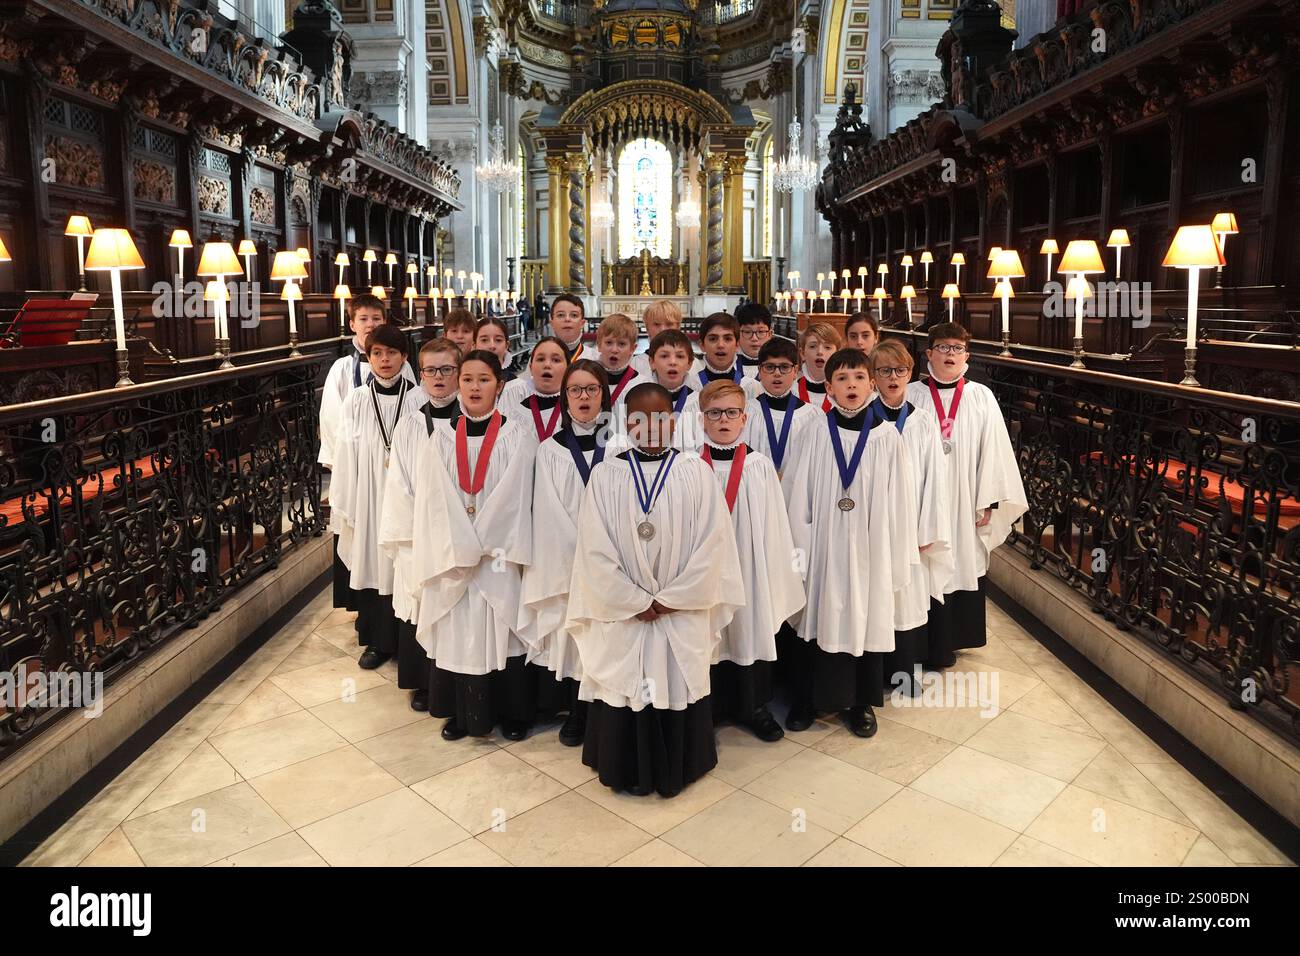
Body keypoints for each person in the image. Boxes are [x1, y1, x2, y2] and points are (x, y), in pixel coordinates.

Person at [566, 382, 743, 797]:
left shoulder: (695, 472)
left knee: (674, 678)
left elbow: (714, 543)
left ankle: (680, 762)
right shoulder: (607, 474)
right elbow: (593, 546)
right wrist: (630, 599)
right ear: (626, 423)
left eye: (660, 417)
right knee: (626, 682)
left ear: (674, 421)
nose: (650, 426)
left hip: (678, 610)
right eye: (639, 419)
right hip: (625, 615)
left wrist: (671, 598)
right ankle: (623, 763)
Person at [782, 347, 921, 737]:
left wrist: (894, 552)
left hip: (868, 546)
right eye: (841, 379)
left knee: (865, 615)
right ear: (828, 387)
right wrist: (799, 552)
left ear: (872, 385)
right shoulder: (813, 431)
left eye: (859, 378)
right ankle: (807, 698)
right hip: (822, 545)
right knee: (817, 617)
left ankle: (860, 701)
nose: (851, 386)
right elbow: (797, 493)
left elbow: (899, 501)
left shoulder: (886, 438)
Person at [410, 349, 538, 741]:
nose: (474, 387)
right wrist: (463, 546)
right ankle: (462, 713)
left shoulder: (519, 434)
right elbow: (433, 502)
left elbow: (519, 496)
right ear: (457, 384)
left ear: (499, 386)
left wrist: (484, 543)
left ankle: (513, 713)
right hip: (457, 559)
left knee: (505, 629)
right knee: (460, 630)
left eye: (484, 379)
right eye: (467, 379)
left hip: (500, 558)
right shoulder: (441, 439)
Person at [905, 323, 1027, 669]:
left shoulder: (980, 396)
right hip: (921, 498)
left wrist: (987, 500)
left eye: (957, 348)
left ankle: (952, 640)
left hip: (965, 496)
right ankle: (919, 641)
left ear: (967, 356)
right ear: (928, 354)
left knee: (960, 558)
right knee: (925, 559)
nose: (950, 355)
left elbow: (995, 451)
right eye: (942, 347)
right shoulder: (912, 394)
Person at [522, 360, 627, 746]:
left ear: (604, 394)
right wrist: (579, 549)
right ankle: (576, 711)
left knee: (607, 635)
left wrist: (603, 551)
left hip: (612, 561)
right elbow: (547, 510)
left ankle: (605, 710)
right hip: (566, 561)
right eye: (575, 390)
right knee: (575, 635)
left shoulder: (621, 444)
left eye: (591, 389)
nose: (583, 398)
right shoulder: (550, 449)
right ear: (565, 397)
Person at [696, 381, 803, 742]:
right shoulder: (691, 466)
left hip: (751, 568)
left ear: (744, 419)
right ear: (702, 420)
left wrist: (776, 574)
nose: (723, 420)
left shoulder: (758, 466)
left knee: (750, 629)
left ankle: (755, 707)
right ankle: (708, 708)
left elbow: (775, 526)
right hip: (705, 572)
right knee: (710, 636)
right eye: (714, 413)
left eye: (730, 413)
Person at [329, 324, 425, 670]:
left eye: (392, 353)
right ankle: (376, 642)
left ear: (405, 357)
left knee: (403, 566)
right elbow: (346, 451)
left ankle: (407, 643)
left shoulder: (419, 398)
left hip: (405, 498)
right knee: (372, 563)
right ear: (368, 358)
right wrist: (348, 503)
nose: (385, 360)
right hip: (369, 495)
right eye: (377, 354)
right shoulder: (356, 400)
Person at [319, 294, 416, 624]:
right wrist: (345, 479)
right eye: (364, 319)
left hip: (403, 485)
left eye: (377, 318)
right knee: (371, 553)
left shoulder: (413, 390)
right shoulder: (345, 373)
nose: (384, 359)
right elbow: (334, 425)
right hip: (367, 481)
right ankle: (373, 627)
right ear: (352, 324)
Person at [380, 338, 463, 710]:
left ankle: (456, 684)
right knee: (420, 605)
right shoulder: (409, 426)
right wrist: (420, 536)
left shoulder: (475, 422)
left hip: (462, 540)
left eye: (447, 369)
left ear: (460, 373)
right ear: (421, 374)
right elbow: (399, 485)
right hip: (417, 536)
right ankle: (424, 682)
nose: (439, 378)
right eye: (431, 370)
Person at [868, 339, 954, 696]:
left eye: (900, 370)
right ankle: (873, 674)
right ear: (872, 378)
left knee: (907, 599)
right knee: (877, 600)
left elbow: (936, 477)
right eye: (884, 370)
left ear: (910, 374)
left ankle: (903, 673)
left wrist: (928, 527)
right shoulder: (863, 420)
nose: (893, 377)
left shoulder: (922, 421)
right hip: (874, 526)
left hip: (913, 526)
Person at [740, 338, 822, 478]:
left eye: (784, 367)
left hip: (796, 490)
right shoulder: (745, 412)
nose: (777, 373)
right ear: (759, 370)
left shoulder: (813, 416)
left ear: (795, 370)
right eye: (770, 367)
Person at [500, 336, 568, 435]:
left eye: (556, 360)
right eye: (541, 359)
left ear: (568, 368)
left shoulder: (577, 412)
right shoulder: (514, 414)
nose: (547, 365)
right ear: (531, 368)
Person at [630, 300, 703, 378]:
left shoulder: (694, 363)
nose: (663, 329)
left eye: (669, 324)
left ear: (678, 327)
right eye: (656, 324)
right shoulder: (635, 364)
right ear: (647, 328)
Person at [795, 322, 842, 413]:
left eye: (827, 347)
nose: (820, 352)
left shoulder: (843, 394)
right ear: (803, 353)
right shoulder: (791, 391)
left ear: (837, 354)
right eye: (813, 346)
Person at [550, 294, 596, 363]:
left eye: (574, 315)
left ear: (582, 323)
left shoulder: (594, 358)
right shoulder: (540, 357)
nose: (567, 319)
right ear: (552, 323)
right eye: (561, 315)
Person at [733, 301, 775, 378]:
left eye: (761, 331)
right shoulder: (728, 368)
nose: (754, 338)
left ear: (770, 334)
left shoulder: (779, 367)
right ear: (738, 334)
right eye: (747, 332)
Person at [474, 316, 515, 381]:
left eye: (498, 340)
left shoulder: (516, 386)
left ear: (506, 345)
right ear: (474, 345)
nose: (492, 346)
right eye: (484, 340)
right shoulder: (463, 382)